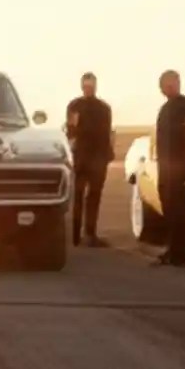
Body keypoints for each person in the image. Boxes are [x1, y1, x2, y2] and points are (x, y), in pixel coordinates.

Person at [152, 69, 185, 267]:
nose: (167, 87)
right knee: (169, 208)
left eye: (171, 83)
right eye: (164, 85)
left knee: (180, 209)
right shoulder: (166, 108)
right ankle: (172, 249)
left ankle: (180, 252)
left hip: (180, 165)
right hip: (166, 165)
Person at [64, 72, 114, 247]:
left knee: (94, 196)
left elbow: (107, 133)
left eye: (91, 86)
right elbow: (70, 132)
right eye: (86, 86)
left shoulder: (104, 108)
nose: (88, 89)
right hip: (81, 157)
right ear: (82, 87)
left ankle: (90, 234)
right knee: (78, 196)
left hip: (98, 157)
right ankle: (76, 236)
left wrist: (108, 154)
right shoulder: (75, 106)